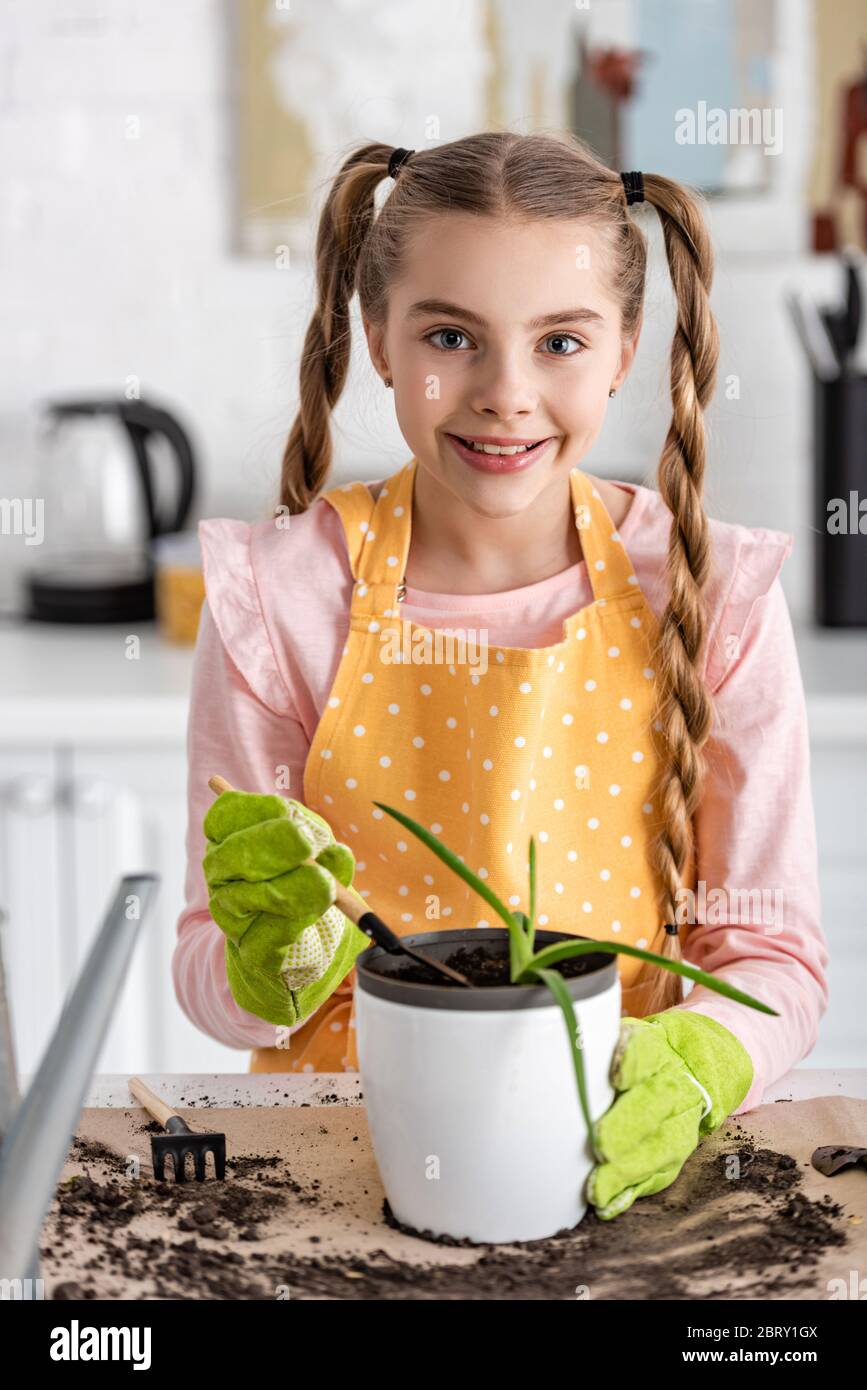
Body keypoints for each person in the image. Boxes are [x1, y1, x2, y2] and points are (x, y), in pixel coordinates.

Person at [173, 133, 828, 1219]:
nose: (506, 394)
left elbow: (771, 953)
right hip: (335, 1181)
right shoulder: (275, 600)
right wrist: (263, 963)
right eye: (449, 336)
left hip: (614, 1176)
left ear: (625, 349)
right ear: (378, 338)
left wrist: (710, 1055)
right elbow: (207, 968)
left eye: (561, 341)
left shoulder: (713, 597)